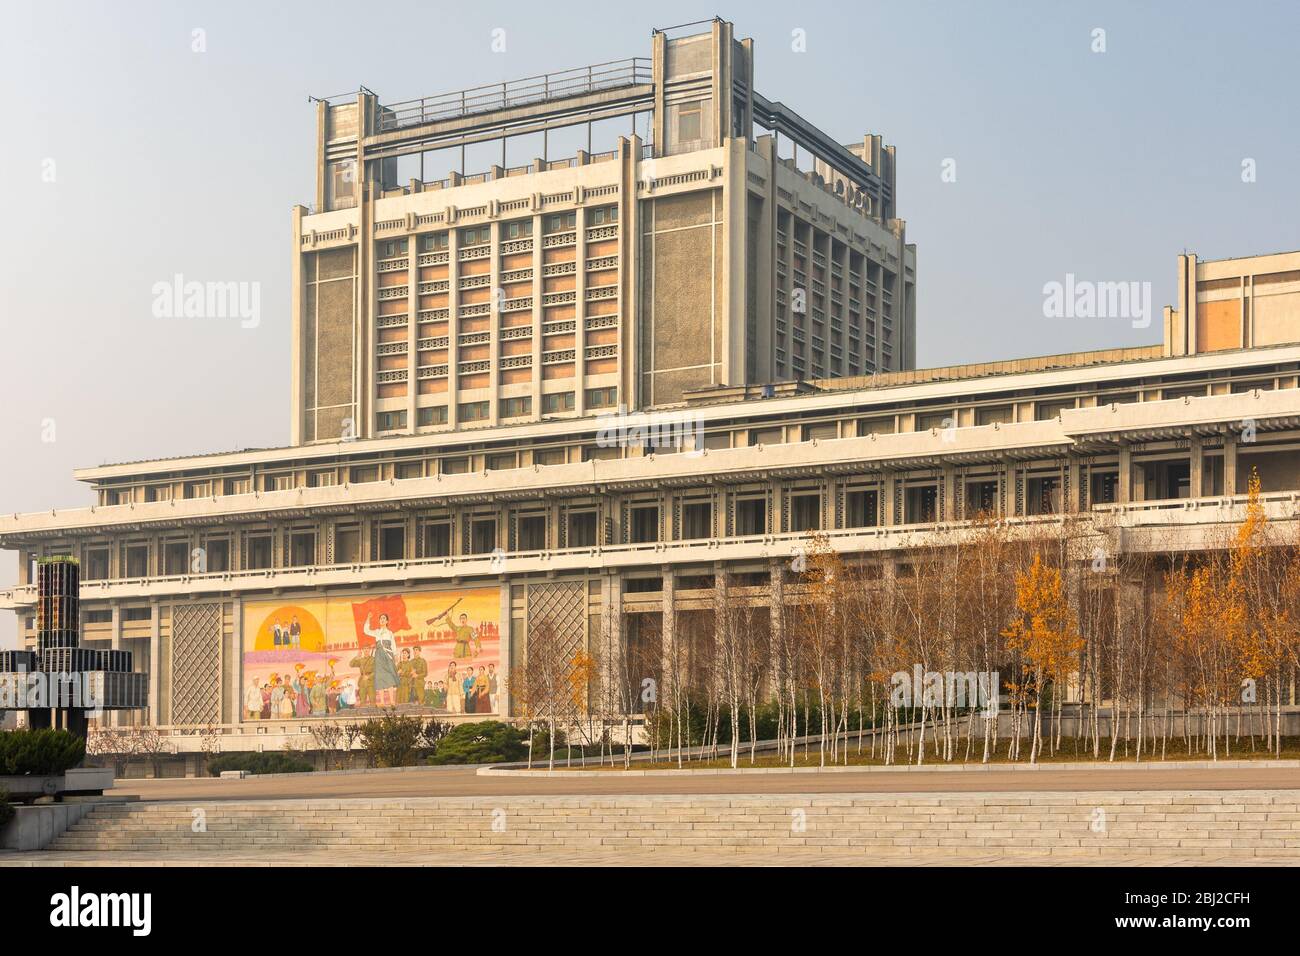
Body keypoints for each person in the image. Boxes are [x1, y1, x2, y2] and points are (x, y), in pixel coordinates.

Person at [363, 612, 400, 707]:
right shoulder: (377, 632)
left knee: (390, 677)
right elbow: (366, 630)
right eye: (380, 619)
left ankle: (392, 701)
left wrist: (395, 655)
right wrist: (368, 618)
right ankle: (382, 702)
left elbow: (393, 645)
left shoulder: (390, 633)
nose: (382, 620)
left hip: (388, 656)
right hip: (379, 656)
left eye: (384, 618)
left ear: (387, 621)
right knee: (379, 677)